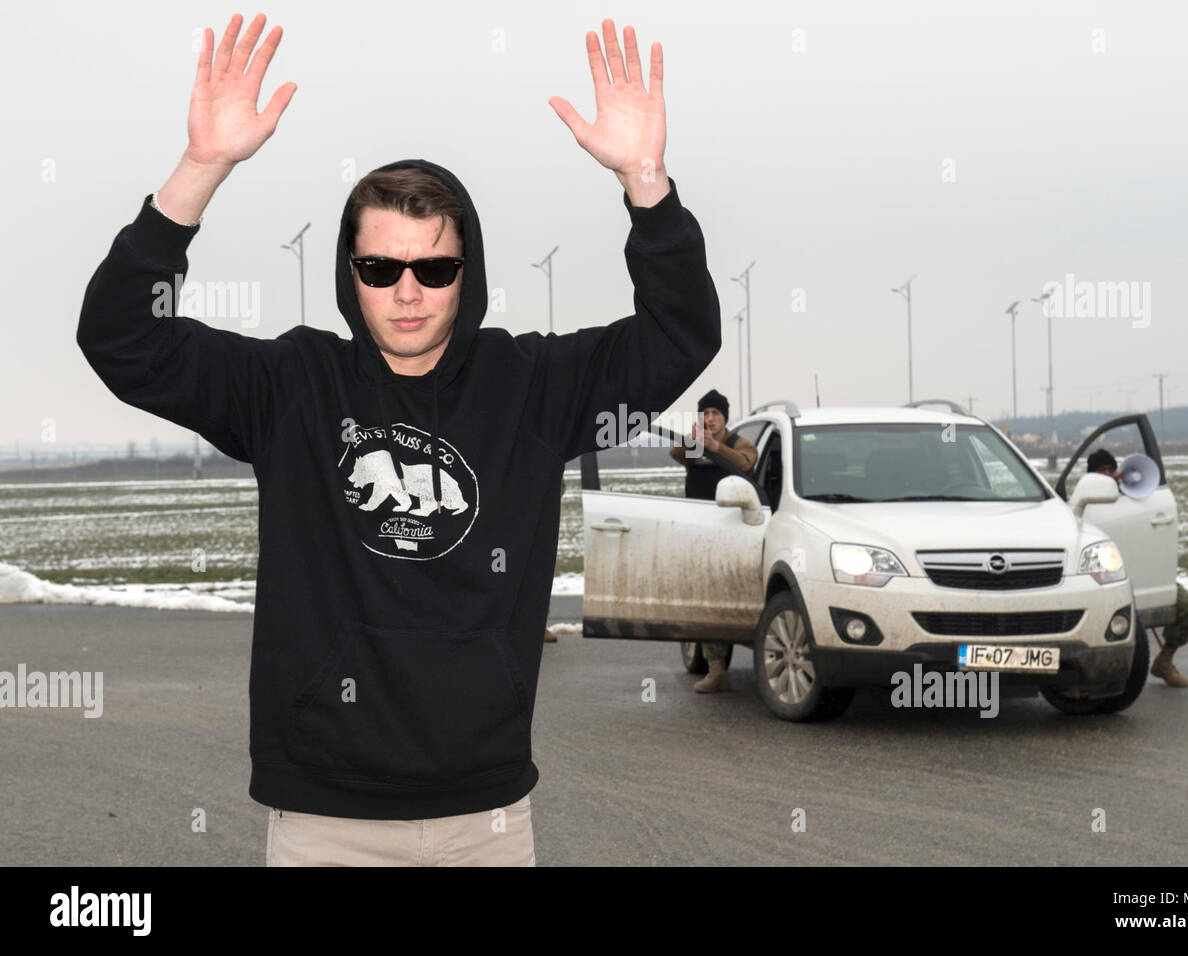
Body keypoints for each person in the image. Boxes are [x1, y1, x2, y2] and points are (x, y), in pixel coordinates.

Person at [77, 14, 721, 865]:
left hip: (485, 819)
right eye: (381, 268)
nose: (408, 291)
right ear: (351, 274)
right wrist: (201, 169)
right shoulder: (290, 388)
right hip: (322, 819)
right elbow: (122, 339)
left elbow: (681, 335)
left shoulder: (531, 386)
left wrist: (646, 180)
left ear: (468, 272)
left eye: (435, 267)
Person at [1085, 449, 1188, 687]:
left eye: (1110, 471)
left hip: (1145, 581)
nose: (1108, 477)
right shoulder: (1085, 506)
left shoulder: (1133, 502)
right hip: (1107, 584)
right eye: (1101, 473)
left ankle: (1165, 660)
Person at [669, 389, 758, 692]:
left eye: (715, 414)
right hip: (699, 530)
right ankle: (716, 668)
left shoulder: (738, 442)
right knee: (705, 597)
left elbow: (747, 463)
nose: (710, 419)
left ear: (724, 417)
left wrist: (716, 446)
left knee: (729, 594)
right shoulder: (695, 445)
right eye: (705, 413)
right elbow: (676, 455)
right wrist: (693, 441)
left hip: (734, 531)